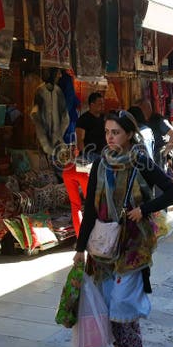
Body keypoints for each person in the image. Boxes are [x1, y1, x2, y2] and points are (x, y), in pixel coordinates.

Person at [73, 111, 173, 347]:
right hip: (103, 241)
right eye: (107, 132)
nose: (110, 138)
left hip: (133, 243)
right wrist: (79, 248)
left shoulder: (141, 161)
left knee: (123, 302)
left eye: (116, 132)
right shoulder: (100, 163)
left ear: (129, 135)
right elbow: (90, 209)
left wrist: (144, 209)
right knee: (109, 301)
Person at [62, 91, 104, 238]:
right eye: (99, 103)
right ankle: (88, 236)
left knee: (79, 205)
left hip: (89, 162)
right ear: (91, 104)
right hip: (87, 163)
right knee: (92, 203)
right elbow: (80, 140)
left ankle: (82, 237)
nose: (101, 106)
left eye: (102, 103)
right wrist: (84, 157)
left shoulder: (104, 119)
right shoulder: (84, 119)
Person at [138, 99, 173, 168]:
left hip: (159, 159)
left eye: (139, 110)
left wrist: (164, 154)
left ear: (147, 108)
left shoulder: (158, 120)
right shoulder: (143, 121)